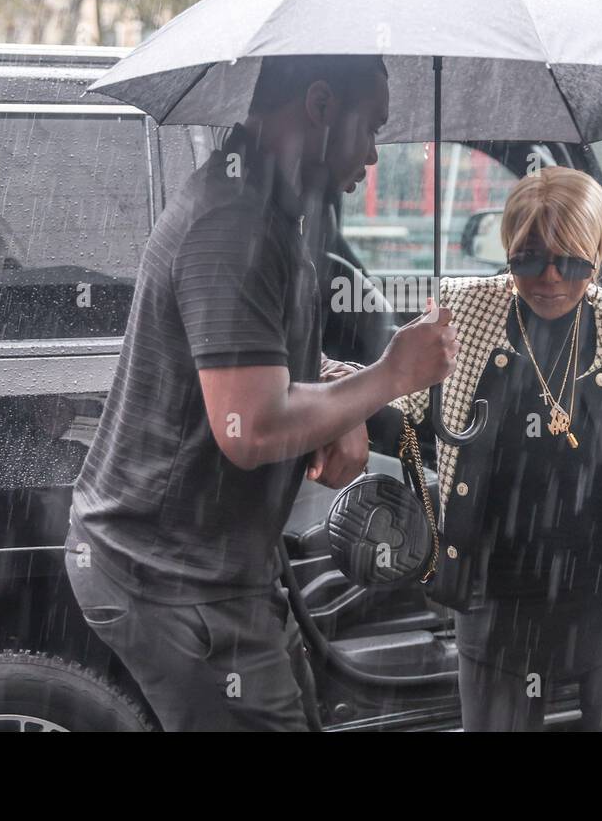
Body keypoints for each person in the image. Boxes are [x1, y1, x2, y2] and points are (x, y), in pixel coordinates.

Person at [64, 54, 458, 730]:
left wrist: (341, 391)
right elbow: (253, 427)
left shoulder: (271, 212)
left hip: (212, 571)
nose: (372, 153)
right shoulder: (234, 226)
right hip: (172, 580)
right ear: (321, 103)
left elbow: (255, 365)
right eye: (372, 126)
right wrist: (392, 374)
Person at [368, 166, 602, 731]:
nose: (548, 277)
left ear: (598, 255)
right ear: (507, 250)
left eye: (571, 262)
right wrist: (345, 399)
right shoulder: (461, 311)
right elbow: (402, 403)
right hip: (498, 594)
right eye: (528, 258)